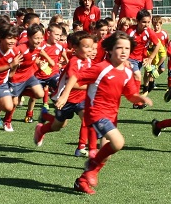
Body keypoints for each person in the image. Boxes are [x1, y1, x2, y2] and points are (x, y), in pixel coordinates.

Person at [54, 31, 153, 195]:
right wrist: (64, 95)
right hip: (96, 112)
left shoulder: (127, 72)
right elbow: (74, 78)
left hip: (111, 115)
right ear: (110, 50)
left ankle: (82, 180)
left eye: (127, 48)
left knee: (106, 154)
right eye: (119, 48)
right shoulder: (101, 68)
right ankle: (92, 167)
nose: (123, 51)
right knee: (119, 142)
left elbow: (130, 95)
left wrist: (139, 97)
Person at [34, 31, 93, 156]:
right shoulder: (74, 61)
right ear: (76, 49)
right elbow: (73, 83)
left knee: (87, 118)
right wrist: (92, 86)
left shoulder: (88, 61)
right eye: (86, 47)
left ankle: (81, 148)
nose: (90, 50)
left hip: (81, 98)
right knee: (59, 125)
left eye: (91, 47)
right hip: (65, 98)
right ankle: (42, 126)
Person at [126, 9, 161, 108]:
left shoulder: (149, 32)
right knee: (137, 76)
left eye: (148, 22)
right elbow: (124, 43)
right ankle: (137, 102)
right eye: (144, 22)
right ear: (137, 21)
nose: (146, 24)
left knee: (133, 78)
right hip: (130, 58)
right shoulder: (131, 31)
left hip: (141, 59)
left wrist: (150, 58)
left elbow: (158, 44)